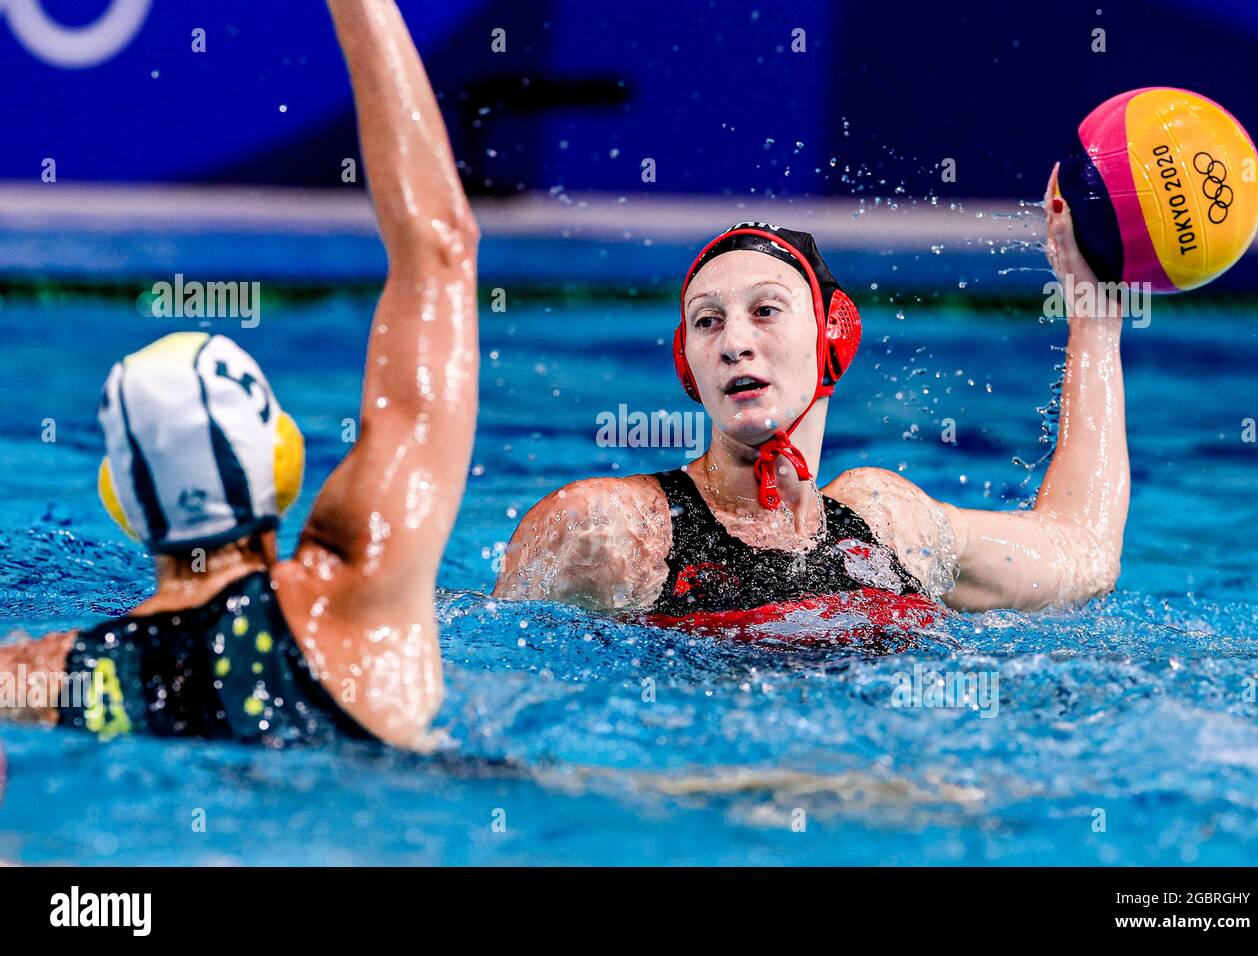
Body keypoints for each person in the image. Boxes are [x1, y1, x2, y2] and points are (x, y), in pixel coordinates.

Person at [0, 0, 479, 748]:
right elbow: (440, 248)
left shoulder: (62, 673)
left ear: (121, 499)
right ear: (279, 462)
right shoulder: (353, 586)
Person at [494, 168, 1128, 635]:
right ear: (685, 364)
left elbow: (1083, 554)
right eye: (707, 322)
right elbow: (482, 665)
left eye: (766, 311)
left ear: (835, 335)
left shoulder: (893, 527)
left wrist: (1094, 319)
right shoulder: (607, 529)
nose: (734, 343)